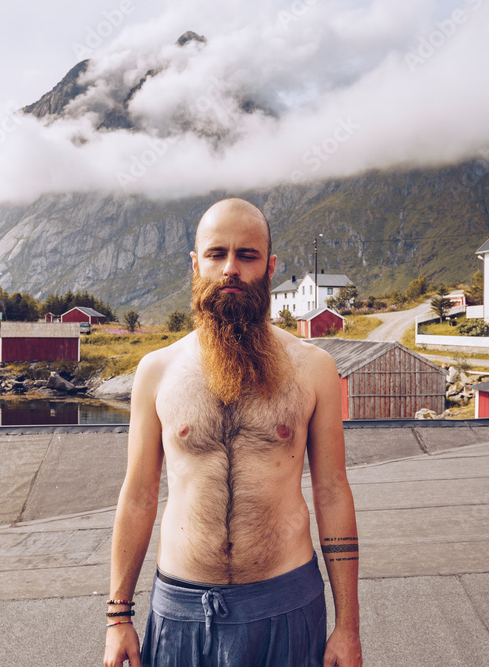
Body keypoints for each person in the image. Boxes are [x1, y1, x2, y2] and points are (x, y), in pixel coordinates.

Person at [103, 198, 362, 667]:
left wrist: (348, 628)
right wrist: (117, 615)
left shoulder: (314, 369)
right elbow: (139, 495)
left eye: (248, 255)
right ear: (195, 264)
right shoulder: (156, 371)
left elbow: (332, 492)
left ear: (270, 266)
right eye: (216, 253)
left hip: (286, 603)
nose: (231, 269)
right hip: (180, 610)